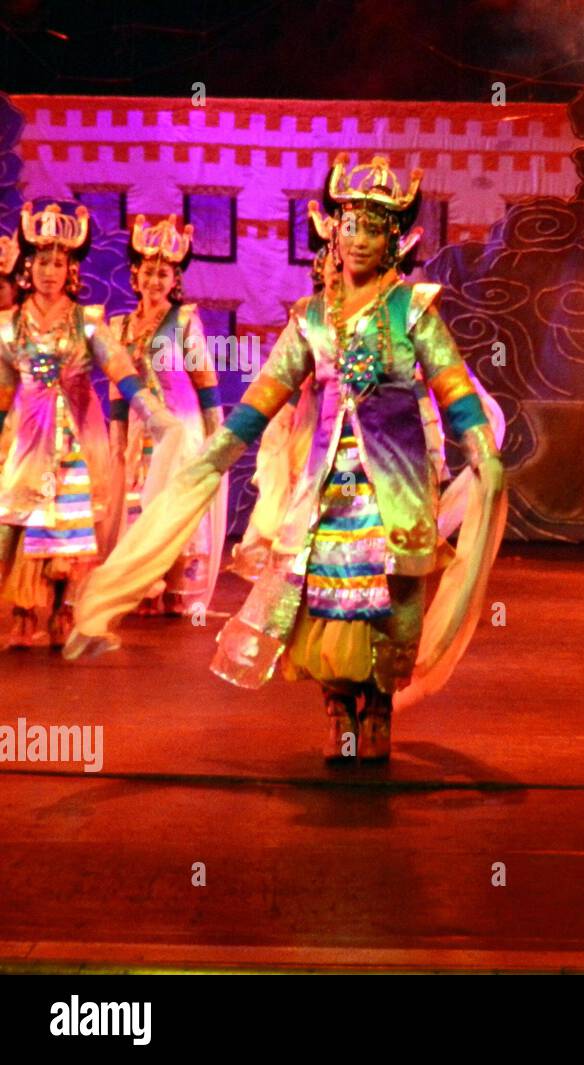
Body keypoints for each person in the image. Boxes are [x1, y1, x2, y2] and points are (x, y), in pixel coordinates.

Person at [66, 156, 507, 764]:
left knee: (391, 598)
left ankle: (377, 707)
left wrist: (481, 444)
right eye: (349, 225)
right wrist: (216, 454)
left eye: (373, 228)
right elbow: (262, 399)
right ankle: (337, 710)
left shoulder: (415, 313)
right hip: (327, 489)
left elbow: (454, 388)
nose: (358, 238)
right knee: (324, 597)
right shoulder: (312, 322)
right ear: (333, 232)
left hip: (397, 489)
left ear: (392, 240)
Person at [0, 202, 177, 649]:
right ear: (28, 266)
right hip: (24, 437)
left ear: (71, 269)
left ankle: (63, 615)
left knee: (69, 530)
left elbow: (121, 371)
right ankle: (21, 620)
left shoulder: (89, 322)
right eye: (42, 261)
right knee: (17, 523)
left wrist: (155, 415)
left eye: (59, 262)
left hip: (75, 437)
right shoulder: (7, 326)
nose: (49, 271)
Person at [107, 215, 226, 615]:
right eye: (149, 272)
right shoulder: (120, 325)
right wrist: (118, 433)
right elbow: (116, 385)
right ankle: (144, 586)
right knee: (142, 503)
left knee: (175, 504)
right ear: (135, 274)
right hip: (145, 429)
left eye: (164, 273)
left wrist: (215, 435)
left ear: (174, 279)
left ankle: (177, 587)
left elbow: (205, 379)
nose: (155, 280)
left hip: (183, 428)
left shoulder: (184, 320)